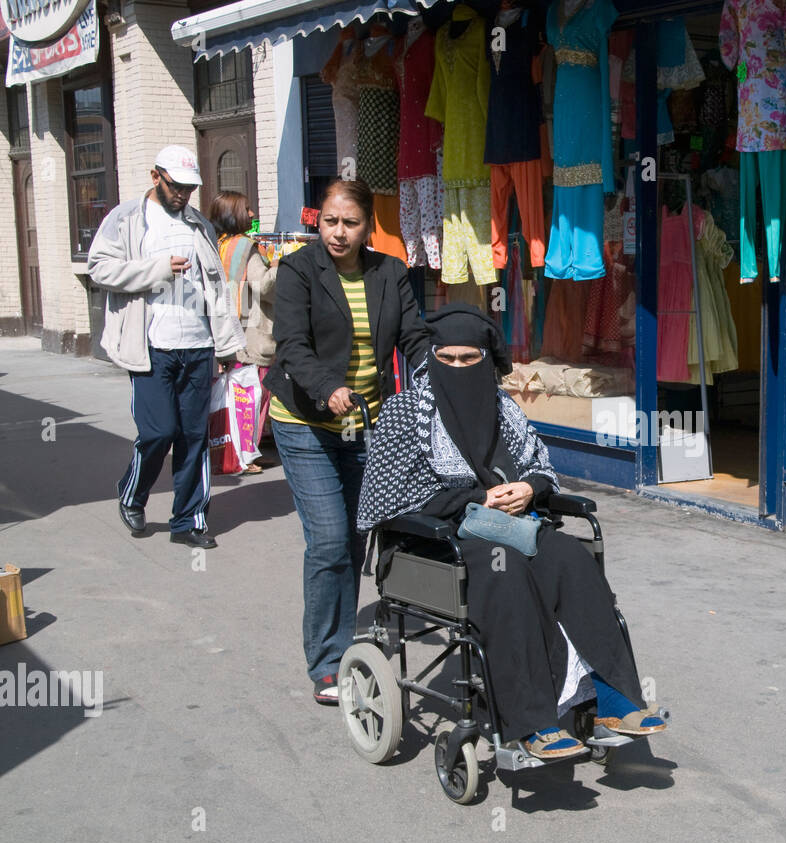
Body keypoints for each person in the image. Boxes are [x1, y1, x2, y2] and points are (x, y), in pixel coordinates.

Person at [357, 304, 666, 759]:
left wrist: (528, 488)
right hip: (436, 541)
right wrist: (472, 500)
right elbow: (384, 500)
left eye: (470, 358)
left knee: (571, 558)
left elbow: (540, 467)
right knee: (508, 573)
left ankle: (615, 701)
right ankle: (534, 722)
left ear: (488, 358)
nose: (459, 367)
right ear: (432, 358)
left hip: (511, 527)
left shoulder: (505, 409)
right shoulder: (406, 412)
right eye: (448, 359)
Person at [267, 178, 428, 705]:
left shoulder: (390, 273)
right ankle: (328, 660)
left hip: (365, 423)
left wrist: (446, 370)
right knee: (331, 539)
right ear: (320, 222)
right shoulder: (297, 270)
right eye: (330, 221)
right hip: (305, 419)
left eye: (350, 223)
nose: (338, 233)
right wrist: (327, 387)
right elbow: (291, 344)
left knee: (357, 540)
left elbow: (414, 337)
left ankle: (341, 633)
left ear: (367, 227)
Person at [90, 145, 244, 550]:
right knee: (159, 431)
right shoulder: (125, 219)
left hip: (197, 344)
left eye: (190, 189)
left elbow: (217, 289)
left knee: (194, 436)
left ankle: (188, 521)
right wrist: (156, 269)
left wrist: (226, 344)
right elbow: (99, 268)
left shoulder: (199, 225)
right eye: (176, 186)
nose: (183, 195)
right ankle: (132, 494)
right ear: (155, 176)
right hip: (150, 345)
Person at [210, 191, 278, 472]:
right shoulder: (246, 247)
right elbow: (262, 286)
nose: (251, 215)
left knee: (236, 393)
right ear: (233, 214)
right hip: (250, 332)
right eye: (246, 209)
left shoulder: (218, 245)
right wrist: (278, 266)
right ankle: (244, 454)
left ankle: (242, 449)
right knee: (252, 395)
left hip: (227, 329)